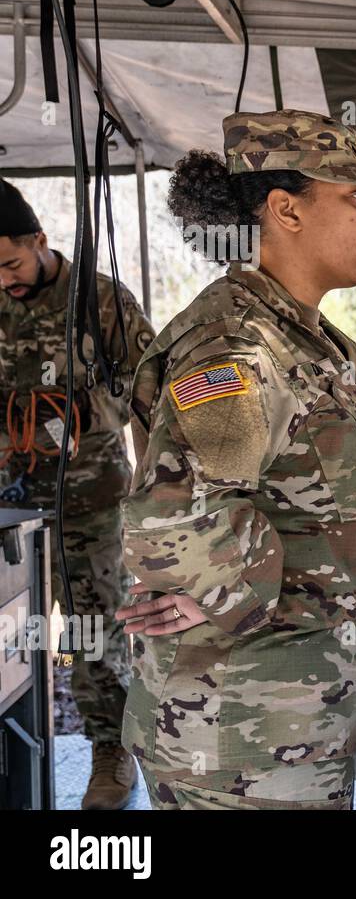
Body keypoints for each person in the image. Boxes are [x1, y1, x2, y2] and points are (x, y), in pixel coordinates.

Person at [113, 109, 356, 809]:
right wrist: (231, 595)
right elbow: (173, 521)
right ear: (284, 210)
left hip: (289, 722)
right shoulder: (239, 349)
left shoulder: (298, 338)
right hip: (239, 739)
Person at [0, 179, 154, 809]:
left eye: (10, 264)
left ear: (40, 241)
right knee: (10, 638)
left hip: (89, 505)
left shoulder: (101, 301)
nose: (4, 281)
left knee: (92, 633)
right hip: (11, 509)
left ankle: (111, 757)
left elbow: (153, 387)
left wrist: (88, 409)